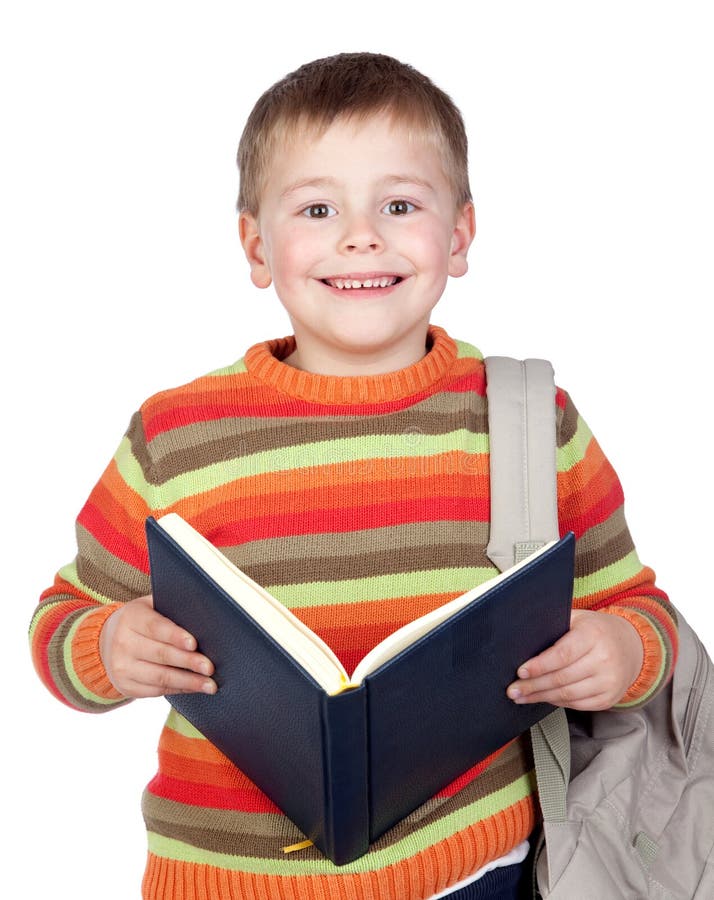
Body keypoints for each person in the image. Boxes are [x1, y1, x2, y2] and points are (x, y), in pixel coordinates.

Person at [29, 52, 678, 900]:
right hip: (223, 882)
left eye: (399, 204)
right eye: (318, 208)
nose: (360, 236)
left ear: (460, 236)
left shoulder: (528, 416)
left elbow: (638, 608)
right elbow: (60, 623)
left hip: (474, 873)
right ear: (257, 246)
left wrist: (621, 650)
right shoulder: (174, 435)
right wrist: (110, 647)